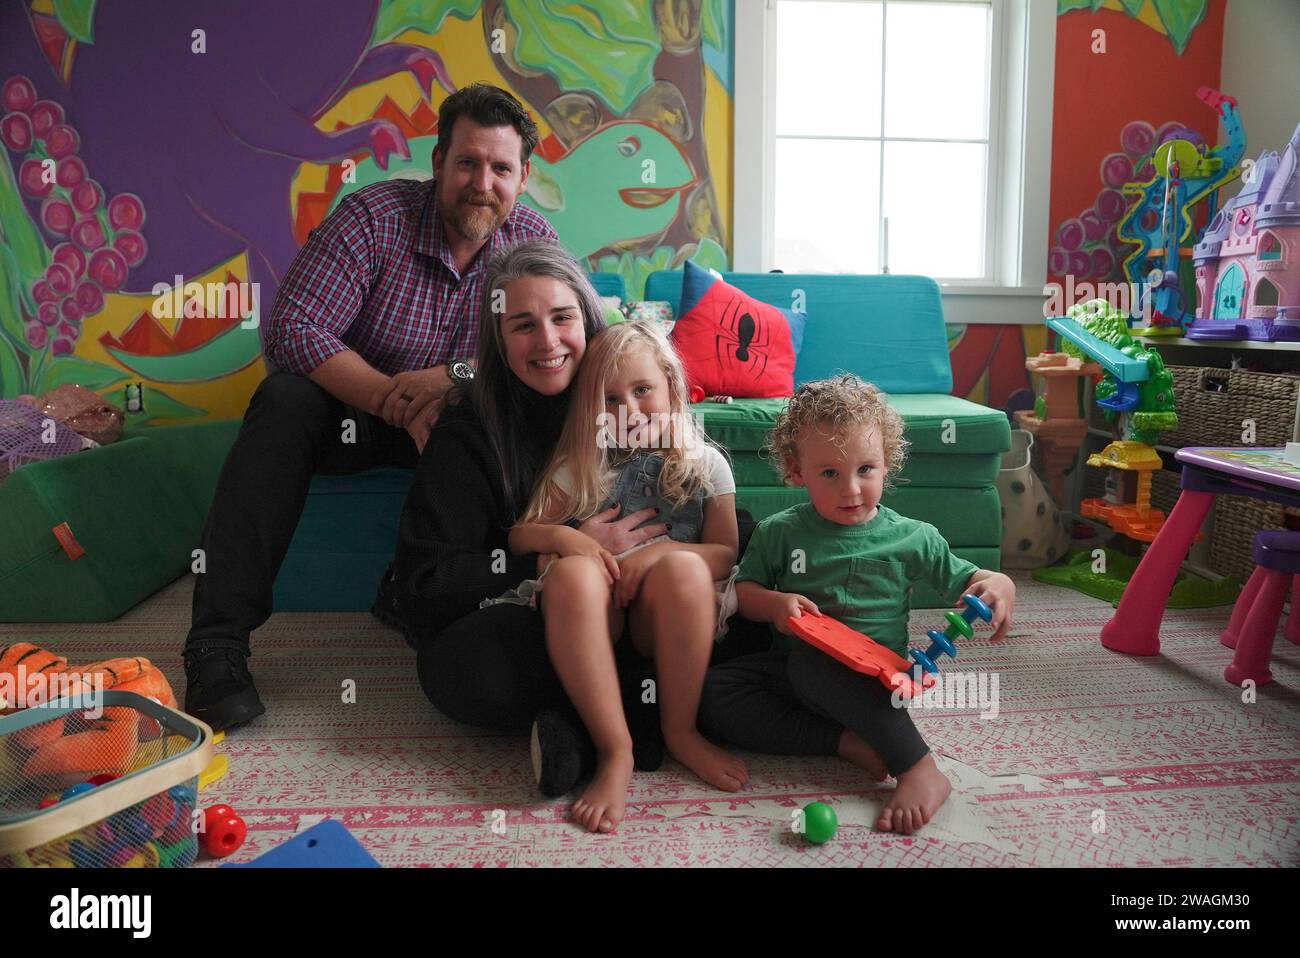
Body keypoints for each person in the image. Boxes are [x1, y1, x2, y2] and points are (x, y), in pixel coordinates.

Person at [182, 83, 557, 732]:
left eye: (500, 169)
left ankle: (426, 598)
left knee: (523, 419)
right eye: (467, 162)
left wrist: (455, 376)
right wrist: (391, 400)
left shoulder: (532, 244)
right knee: (283, 399)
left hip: (452, 431)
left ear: (523, 178)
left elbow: (556, 353)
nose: (482, 183)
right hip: (350, 417)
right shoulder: (374, 217)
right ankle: (217, 644)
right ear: (438, 162)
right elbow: (296, 328)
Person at [698, 374, 1017, 835]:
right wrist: (776, 605)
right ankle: (844, 742)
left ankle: (919, 766)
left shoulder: (913, 537)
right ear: (795, 471)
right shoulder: (780, 532)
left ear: (888, 463)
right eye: (830, 473)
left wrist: (1000, 583)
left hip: (872, 686)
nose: (851, 490)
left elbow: (971, 579)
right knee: (713, 693)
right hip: (792, 674)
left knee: (814, 664)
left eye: (865, 470)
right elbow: (743, 594)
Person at [502, 321, 749, 833]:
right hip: (602, 619)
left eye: (642, 391)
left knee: (683, 565)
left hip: (664, 617)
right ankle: (617, 750)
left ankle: (679, 732)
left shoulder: (705, 464)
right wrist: (566, 539)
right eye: (610, 400)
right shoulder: (582, 465)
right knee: (571, 574)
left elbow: (725, 553)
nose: (629, 412)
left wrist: (657, 556)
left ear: (672, 388)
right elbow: (521, 536)